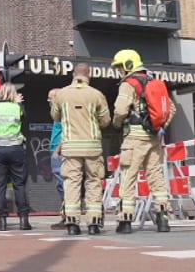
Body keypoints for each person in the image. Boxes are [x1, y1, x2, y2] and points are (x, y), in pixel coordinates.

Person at [112, 49, 176, 233]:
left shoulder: (128, 84)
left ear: (128, 65)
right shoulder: (155, 81)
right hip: (154, 138)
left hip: (134, 138)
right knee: (156, 177)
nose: (119, 71)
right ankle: (163, 218)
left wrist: (117, 124)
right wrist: (158, 126)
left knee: (128, 176)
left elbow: (120, 110)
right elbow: (171, 109)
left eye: (119, 67)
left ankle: (125, 221)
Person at [50, 64, 111, 235]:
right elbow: (106, 120)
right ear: (88, 74)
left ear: (73, 74)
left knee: (71, 183)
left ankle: (72, 224)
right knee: (93, 182)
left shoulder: (62, 94)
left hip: (70, 147)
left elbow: (55, 115)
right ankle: (93, 223)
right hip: (92, 146)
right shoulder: (97, 94)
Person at [0, 83, 30, 231]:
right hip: (15, 149)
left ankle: (2, 221)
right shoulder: (17, 108)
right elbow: (25, 122)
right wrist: (19, 104)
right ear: (12, 94)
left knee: (0, 185)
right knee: (19, 184)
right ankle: (23, 220)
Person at [48, 88, 67, 230]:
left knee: (63, 185)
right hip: (57, 152)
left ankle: (67, 216)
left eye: (51, 98)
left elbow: (66, 132)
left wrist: (58, 149)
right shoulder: (58, 114)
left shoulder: (62, 113)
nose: (48, 101)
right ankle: (66, 215)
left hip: (60, 153)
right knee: (60, 185)